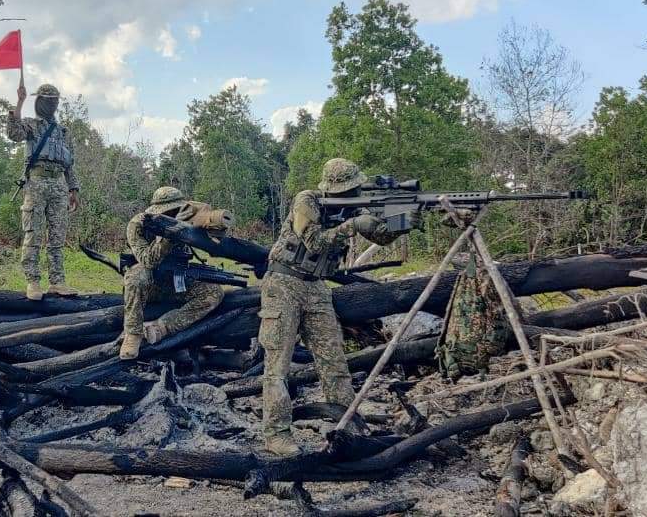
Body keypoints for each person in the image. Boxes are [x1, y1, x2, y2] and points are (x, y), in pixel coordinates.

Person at [258, 158, 421, 456]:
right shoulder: (307, 201)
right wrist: (353, 224)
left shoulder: (354, 207)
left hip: (317, 287)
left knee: (333, 360)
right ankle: (276, 434)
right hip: (283, 283)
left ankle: (345, 423)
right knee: (278, 364)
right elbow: (315, 243)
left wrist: (405, 218)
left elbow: (382, 235)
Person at [118, 187, 226, 360]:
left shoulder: (186, 221)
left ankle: (162, 327)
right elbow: (147, 261)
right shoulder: (138, 224)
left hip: (175, 280)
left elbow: (212, 244)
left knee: (213, 292)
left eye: (176, 210)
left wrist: (210, 227)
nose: (174, 213)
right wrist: (170, 235)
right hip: (149, 282)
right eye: (169, 211)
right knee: (135, 276)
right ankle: (133, 334)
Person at [7, 83, 79, 301]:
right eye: (48, 99)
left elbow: (69, 163)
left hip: (59, 184)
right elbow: (13, 132)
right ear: (40, 101)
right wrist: (19, 102)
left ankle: (57, 282)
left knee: (57, 236)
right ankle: (33, 281)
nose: (52, 103)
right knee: (34, 234)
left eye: (54, 100)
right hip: (37, 182)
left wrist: (73, 189)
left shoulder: (62, 132)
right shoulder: (32, 125)